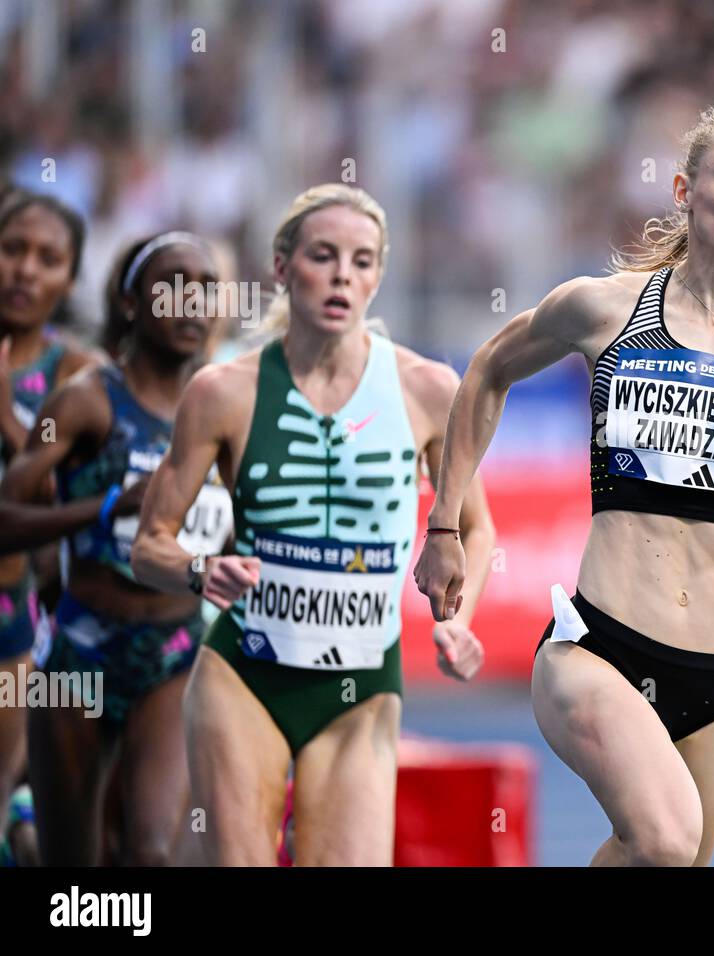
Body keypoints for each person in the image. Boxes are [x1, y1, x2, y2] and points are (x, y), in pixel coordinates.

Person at [415, 101, 714, 866]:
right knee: (668, 840)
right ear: (682, 189)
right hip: (599, 648)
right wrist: (446, 526)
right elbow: (487, 371)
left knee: (660, 857)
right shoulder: (606, 309)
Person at [131, 183, 496, 866]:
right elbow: (149, 544)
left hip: (360, 684)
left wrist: (458, 619)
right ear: (281, 267)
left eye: (361, 262)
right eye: (323, 256)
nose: (341, 276)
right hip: (245, 674)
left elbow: (475, 529)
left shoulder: (427, 391)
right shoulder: (221, 391)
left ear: (379, 278)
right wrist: (198, 569)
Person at [0, 230, 233, 865]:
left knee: (152, 853)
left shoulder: (226, 407)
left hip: (175, 652)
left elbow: (248, 524)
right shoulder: (87, 401)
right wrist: (105, 506)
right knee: (75, 869)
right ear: (131, 304)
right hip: (81, 653)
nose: (190, 302)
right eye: (171, 286)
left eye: (206, 289)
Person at [0, 192, 98, 821]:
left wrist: (5, 420)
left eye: (48, 258)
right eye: (12, 250)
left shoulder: (77, 373)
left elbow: (68, 496)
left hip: (12, 622)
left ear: (68, 278)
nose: (26, 270)